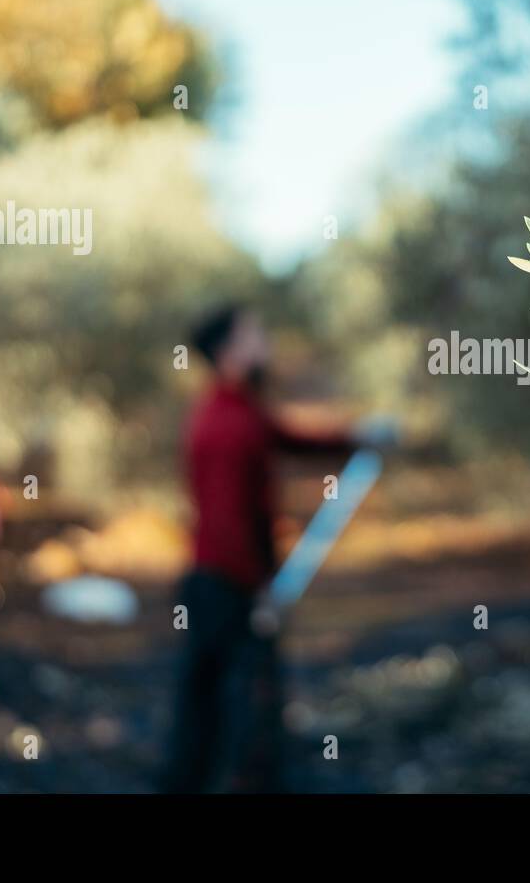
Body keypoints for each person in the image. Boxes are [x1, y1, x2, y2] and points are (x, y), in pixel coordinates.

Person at [160, 304, 354, 793]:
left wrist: (356, 439)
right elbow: (225, 522)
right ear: (229, 351)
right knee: (246, 703)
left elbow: (286, 437)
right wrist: (259, 593)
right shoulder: (225, 424)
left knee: (205, 698)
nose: (264, 341)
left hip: (217, 584)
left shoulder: (240, 410)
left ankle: (186, 782)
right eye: (253, 334)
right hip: (226, 586)